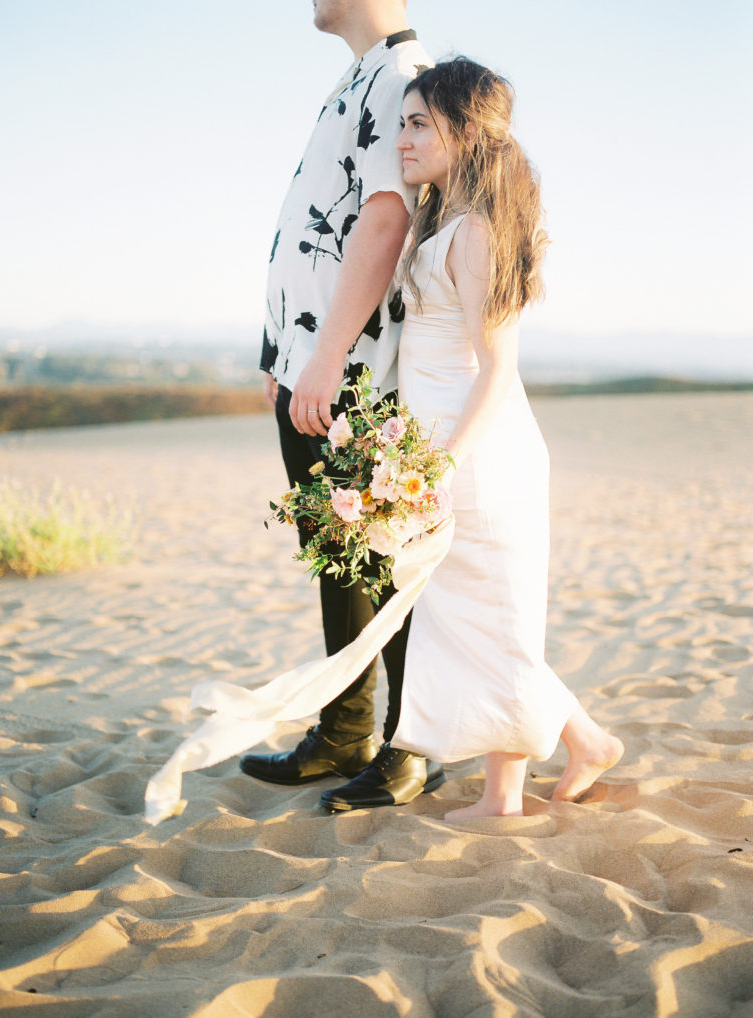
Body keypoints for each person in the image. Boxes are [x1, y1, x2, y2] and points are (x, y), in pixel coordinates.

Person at [327, 57, 623, 817]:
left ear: (463, 132)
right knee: (474, 623)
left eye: (418, 124)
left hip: (481, 454)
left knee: (494, 621)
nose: (401, 139)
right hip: (446, 451)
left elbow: (498, 369)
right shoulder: (443, 224)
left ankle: (504, 799)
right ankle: (585, 742)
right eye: (401, 124)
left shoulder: (476, 233)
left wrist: (442, 466)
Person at [241, 0, 443, 807]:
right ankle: (345, 731)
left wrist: (326, 357)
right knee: (339, 557)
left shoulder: (403, 76)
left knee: (379, 558)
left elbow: (385, 220)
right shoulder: (362, 75)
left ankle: (412, 742)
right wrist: (281, 352)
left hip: (353, 367)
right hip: (314, 362)